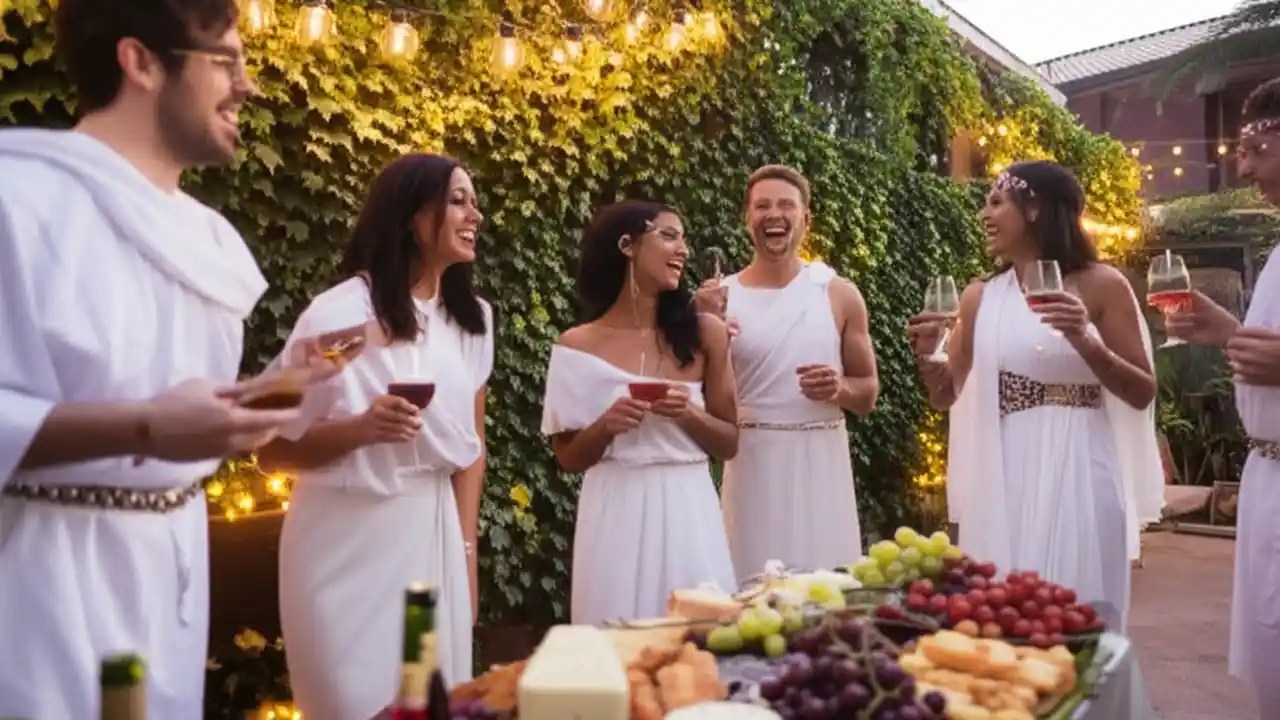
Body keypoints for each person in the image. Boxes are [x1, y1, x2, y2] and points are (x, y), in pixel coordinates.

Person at [0, 0, 348, 716]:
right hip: (35, 575)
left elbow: (181, 408)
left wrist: (267, 397)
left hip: (173, 570)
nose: (248, 85)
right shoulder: (19, 203)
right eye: (227, 62)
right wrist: (146, 428)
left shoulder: (210, 240)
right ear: (141, 62)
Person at [256, 153, 492, 718]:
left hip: (431, 536)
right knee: (353, 703)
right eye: (458, 201)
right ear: (413, 216)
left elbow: (472, 450)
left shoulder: (473, 322)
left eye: (474, 202)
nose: (475, 215)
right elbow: (270, 449)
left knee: (428, 703)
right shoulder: (339, 316)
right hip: (343, 545)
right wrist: (361, 430)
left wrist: (467, 552)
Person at [906, 160, 1164, 631]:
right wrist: (928, 357)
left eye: (996, 203)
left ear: (1034, 209)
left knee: (1078, 610)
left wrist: (1083, 338)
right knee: (1002, 610)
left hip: (1081, 465)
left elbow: (1143, 391)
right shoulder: (980, 296)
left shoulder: (1102, 285)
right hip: (1004, 468)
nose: (984, 215)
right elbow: (945, 394)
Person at [542, 199, 739, 623]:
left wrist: (687, 413)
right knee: (615, 637)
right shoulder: (575, 346)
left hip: (689, 508)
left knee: (700, 633)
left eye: (684, 239)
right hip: (614, 509)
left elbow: (729, 442)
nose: (683, 249)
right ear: (627, 245)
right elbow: (568, 458)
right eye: (669, 236)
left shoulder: (706, 334)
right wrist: (605, 427)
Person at [695, 165, 878, 579]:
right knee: (750, 588)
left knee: (826, 588)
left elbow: (867, 393)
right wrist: (706, 331)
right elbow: (697, 396)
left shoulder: (838, 294)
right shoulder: (717, 300)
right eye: (762, 206)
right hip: (752, 464)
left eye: (785, 205)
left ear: (805, 219)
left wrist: (839, 388)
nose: (773, 214)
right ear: (747, 218)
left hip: (821, 463)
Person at [1165, 76, 1280, 717]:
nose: (1243, 167)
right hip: (1267, 477)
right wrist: (1227, 332)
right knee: (1269, 656)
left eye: (1256, 148)